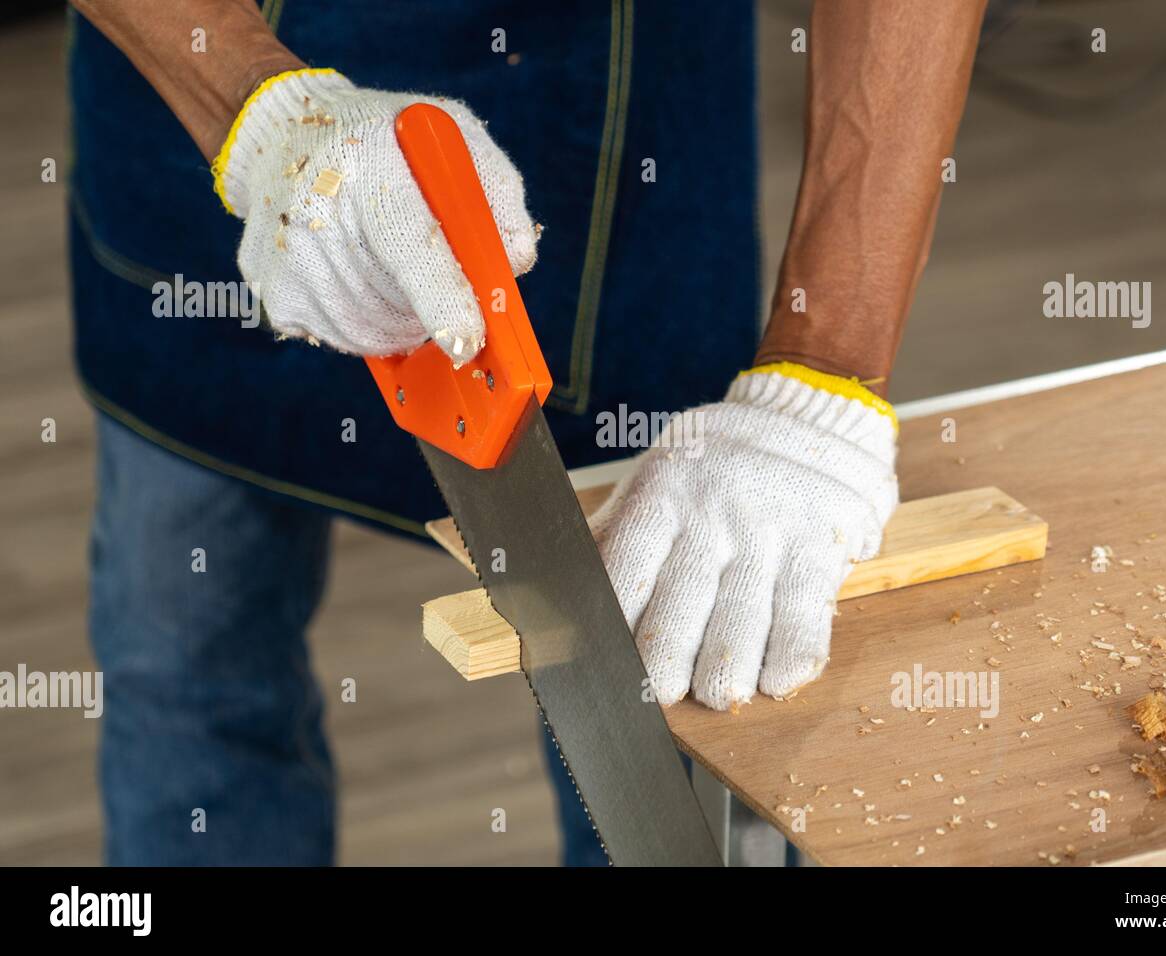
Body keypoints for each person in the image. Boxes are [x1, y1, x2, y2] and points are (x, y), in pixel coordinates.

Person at [68, 0, 986, 865]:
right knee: (189, 664)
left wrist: (820, 371)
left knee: (670, 701)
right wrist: (266, 120)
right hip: (200, 94)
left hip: (620, 147)